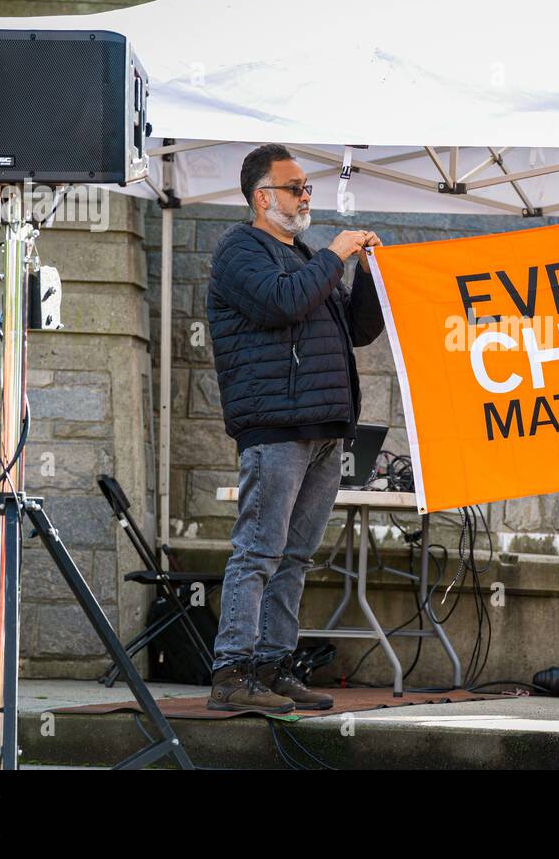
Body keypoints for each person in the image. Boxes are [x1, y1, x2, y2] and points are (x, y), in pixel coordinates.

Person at [204, 143, 385, 713]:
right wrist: (334, 254)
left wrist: (367, 274)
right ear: (262, 198)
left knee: (296, 556)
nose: (306, 196)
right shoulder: (240, 251)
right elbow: (282, 303)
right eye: (295, 188)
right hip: (276, 427)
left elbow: (357, 331)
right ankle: (232, 674)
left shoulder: (306, 256)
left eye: (307, 187)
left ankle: (272, 665)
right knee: (259, 552)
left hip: (325, 428)